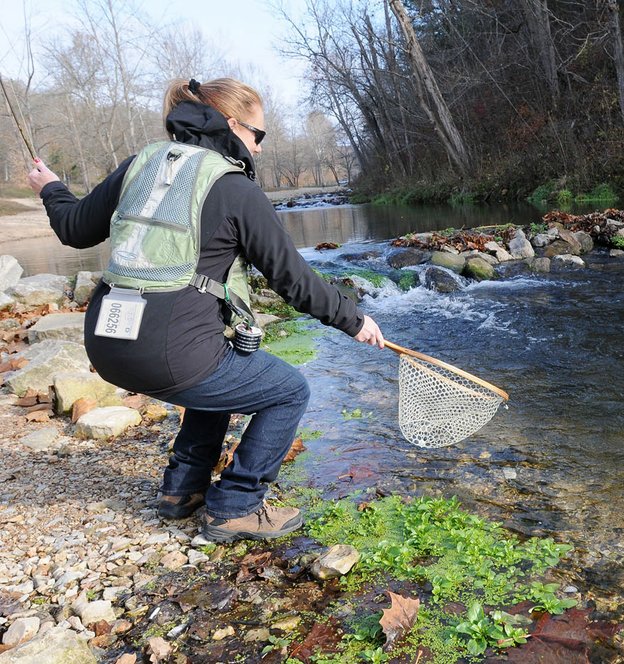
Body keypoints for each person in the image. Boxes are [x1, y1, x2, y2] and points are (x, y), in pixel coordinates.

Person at [28, 77, 384, 543]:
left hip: (105, 343)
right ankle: (236, 505)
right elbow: (293, 280)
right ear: (233, 125)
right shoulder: (233, 186)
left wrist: (51, 187)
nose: (258, 148)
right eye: (259, 135)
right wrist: (354, 320)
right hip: (167, 353)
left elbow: (74, 228)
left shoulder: (142, 164)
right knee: (288, 390)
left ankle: (182, 492)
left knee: (219, 364)